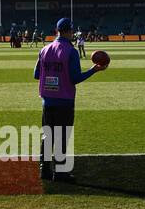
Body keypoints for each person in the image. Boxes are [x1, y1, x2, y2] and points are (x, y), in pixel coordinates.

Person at [34, 17, 105, 182]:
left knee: (47, 136)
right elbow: (75, 78)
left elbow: (36, 74)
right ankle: (60, 172)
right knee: (62, 136)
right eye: (72, 30)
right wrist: (94, 70)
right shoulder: (71, 51)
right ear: (68, 31)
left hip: (47, 101)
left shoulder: (44, 49)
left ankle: (44, 171)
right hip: (64, 101)